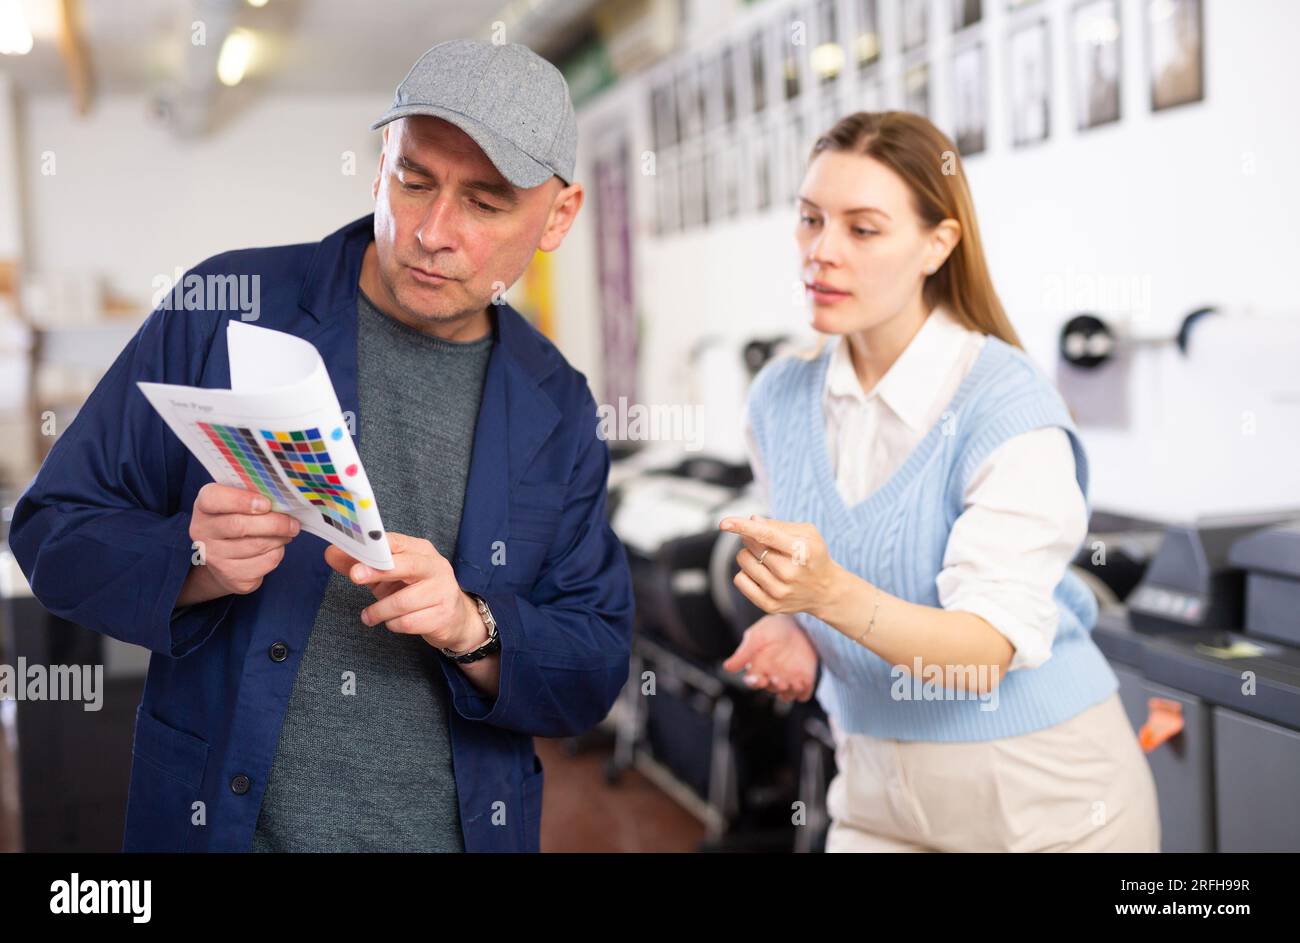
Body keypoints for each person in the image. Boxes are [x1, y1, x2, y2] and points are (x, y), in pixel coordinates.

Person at [9, 39, 634, 853]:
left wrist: (470, 624)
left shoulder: (557, 402)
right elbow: (51, 529)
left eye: (484, 203)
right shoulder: (222, 310)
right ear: (381, 163)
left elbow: (592, 665)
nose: (432, 231)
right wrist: (193, 559)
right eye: (414, 179)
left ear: (559, 216)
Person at [720, 111, 1158, 852]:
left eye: (862, 229)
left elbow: (982, 653)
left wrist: (825, 596)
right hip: (872, 786)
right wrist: (794, 622)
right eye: (809, 220)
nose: (820, 252)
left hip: (1044, 797)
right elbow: (833, 568)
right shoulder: (779, 397)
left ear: (937, 242)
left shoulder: (1007, 408)